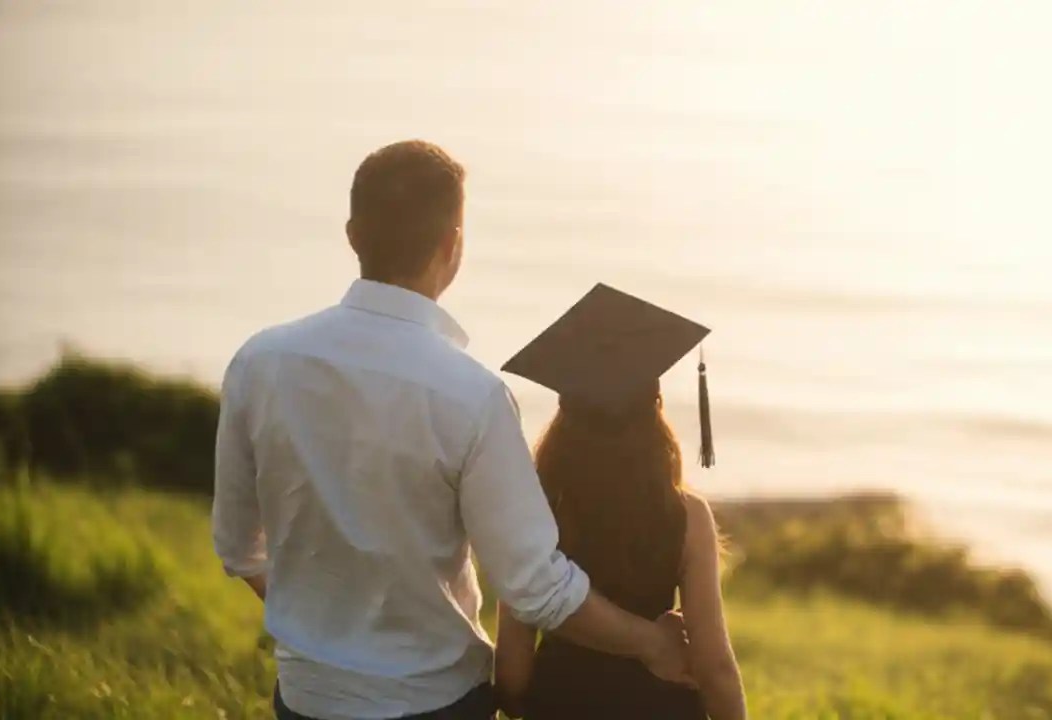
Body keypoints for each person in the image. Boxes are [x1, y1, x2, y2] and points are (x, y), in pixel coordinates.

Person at [211, 141, 692, 720]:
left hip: (307, 700)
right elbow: (535, 585)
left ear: (352, 235)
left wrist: (325, 629)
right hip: (435, 703)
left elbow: (239, 546)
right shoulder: (471, 396)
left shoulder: (260, 362)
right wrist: (651, 642)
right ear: (452, 245)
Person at [494, 284, 747, 720]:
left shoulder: (536, 511)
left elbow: (512, 676)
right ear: (656, 407)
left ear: (565, 414)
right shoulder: (687, 517)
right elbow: (716, 666)